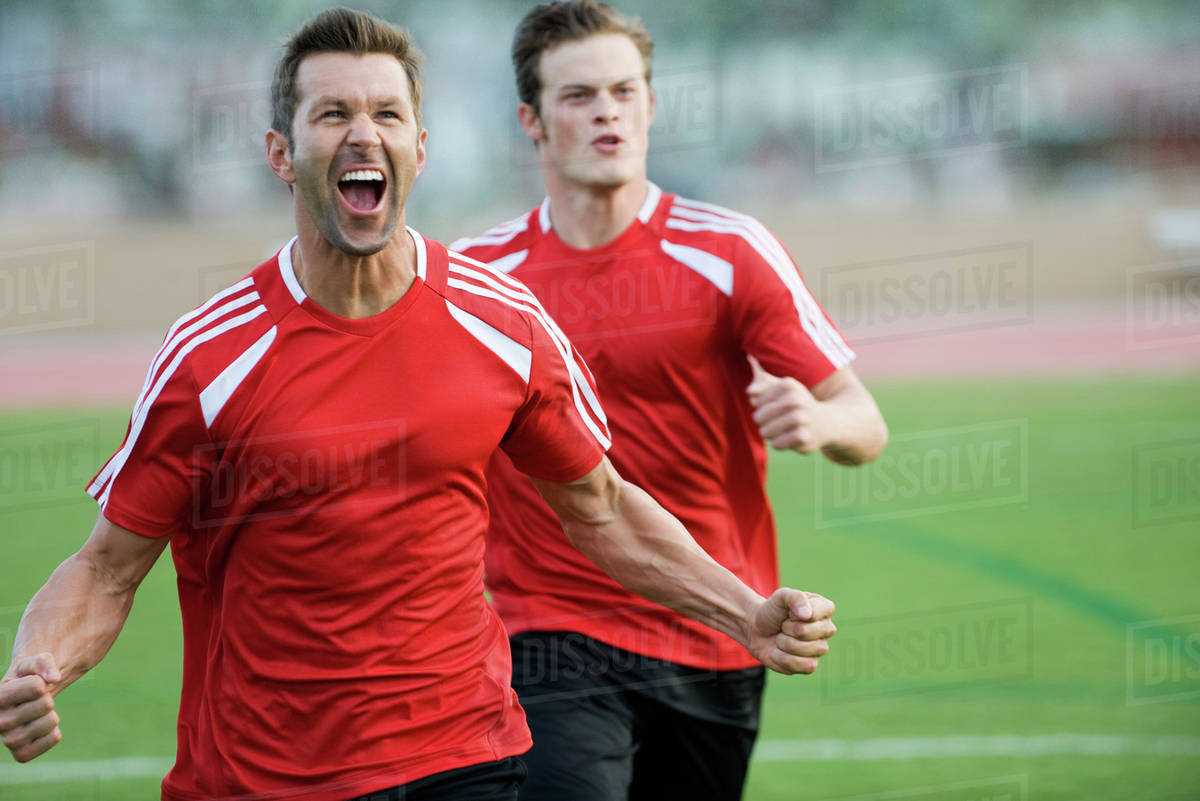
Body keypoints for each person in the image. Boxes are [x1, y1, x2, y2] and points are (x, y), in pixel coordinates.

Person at [0, 8, 838, 801]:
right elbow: (109, 566)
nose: (364, 133)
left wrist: (747, 613)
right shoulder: (211, 356)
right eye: (332, 113)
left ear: (420, 148)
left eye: (387, 114)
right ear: (281, 153)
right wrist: (38, 666)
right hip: (267, 775)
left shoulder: (504, 325)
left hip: (465, 757)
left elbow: (602, 510)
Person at [450, 3, 887, 799]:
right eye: (578, 95)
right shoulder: (478, 277)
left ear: (651, 104)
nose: (606, 110)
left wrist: (822, 421)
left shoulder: (728, 250)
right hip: (549, 628)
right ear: (533, 120)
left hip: (717, 623)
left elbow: (866, 421)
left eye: (624, 90)